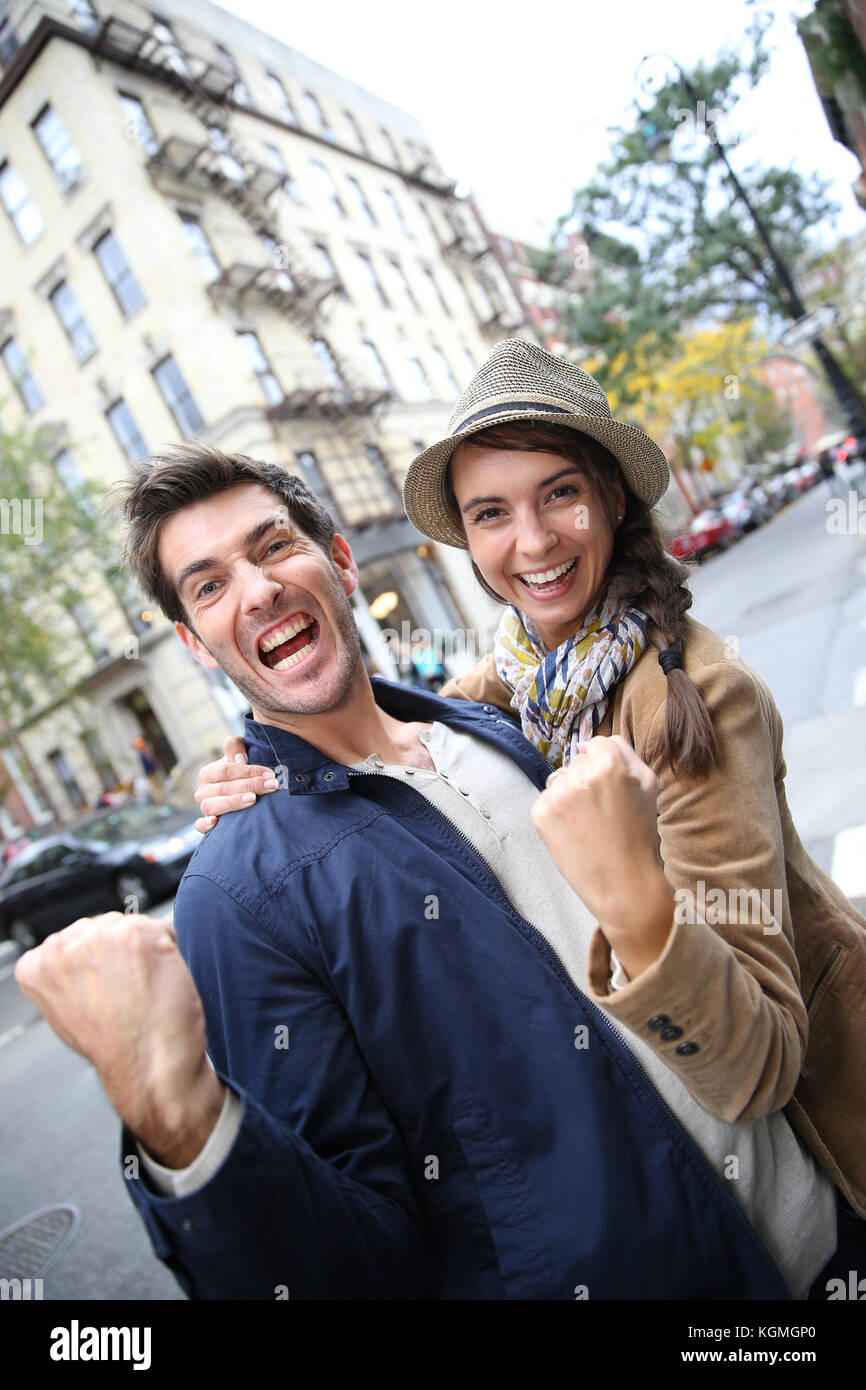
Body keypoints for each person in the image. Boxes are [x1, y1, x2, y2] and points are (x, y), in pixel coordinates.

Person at [17, 440, 839, 1301]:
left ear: (338, 557)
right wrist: (191, 1135)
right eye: (211, 584)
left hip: (817, 1231)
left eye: (273, 546)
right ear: (193, 641)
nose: (257, 590)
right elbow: (348, 1274)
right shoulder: (235, 898)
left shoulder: (488, 719)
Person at [196, 340, 866, 1234]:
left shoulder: (698, 697)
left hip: (823, 1161)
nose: (534, 541)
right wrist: (255, 770)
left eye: (559, 493)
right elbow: (375, 726)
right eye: (491, 513)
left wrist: (639, 904)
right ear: (467, 540)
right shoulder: (506, 689)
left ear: (610, 497)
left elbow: (757, 1065)